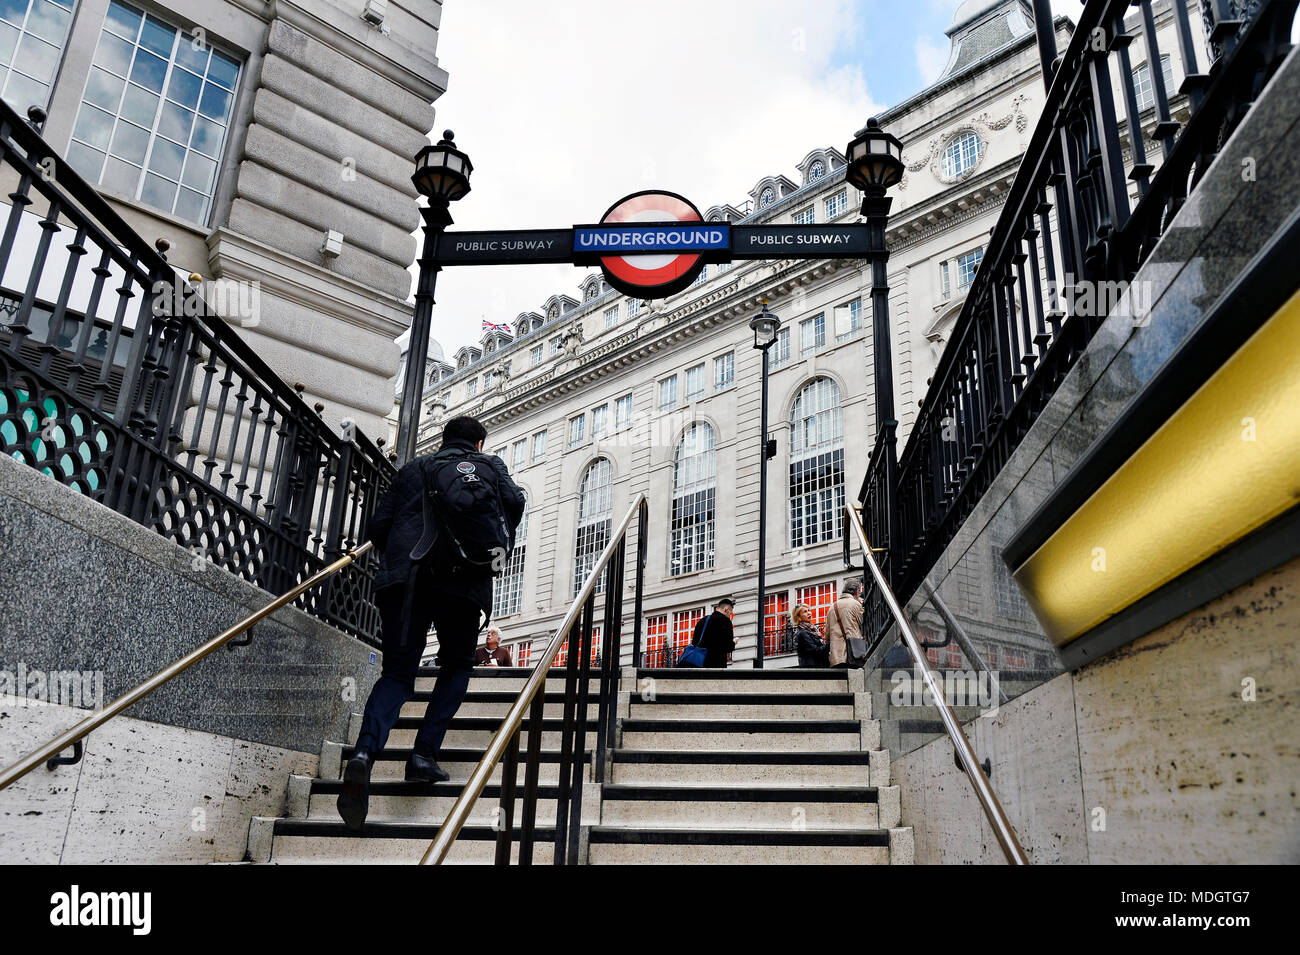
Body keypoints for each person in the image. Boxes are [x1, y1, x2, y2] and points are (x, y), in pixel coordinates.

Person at [338, 415, 525, 831]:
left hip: (407, 582)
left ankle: (365, 753)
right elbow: (514, 506)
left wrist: (403, 561)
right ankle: (423, 755)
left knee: (398, 674)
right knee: (456, 666)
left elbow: (378, 527)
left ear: (444, 441)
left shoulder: (412, 469)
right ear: (478, 443)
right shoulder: (490, 466)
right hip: (463, 584)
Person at [825, 578, 865, 668]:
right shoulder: (855, 604)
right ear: (857, 591)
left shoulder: (831, 608)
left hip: (837, 656)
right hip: (855, 651)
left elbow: (827, 635)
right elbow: (864, 625)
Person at [691, 597, 737, 668]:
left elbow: (694, 642)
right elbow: (728, 647)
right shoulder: (726, 621)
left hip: (699, 664)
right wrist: (734, 642)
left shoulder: (702, 620)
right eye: (730, 613)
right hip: (717, 665)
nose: (730, 615)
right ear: (726, 609)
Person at [792, 603, 830, 668]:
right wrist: (830, 643)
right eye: (805, 612)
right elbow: (816, 651)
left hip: (819, 666)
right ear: (798, 617)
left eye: (809, 610)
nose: (809, 613)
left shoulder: (812, 630)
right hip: (813, 669)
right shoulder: (803, 633)